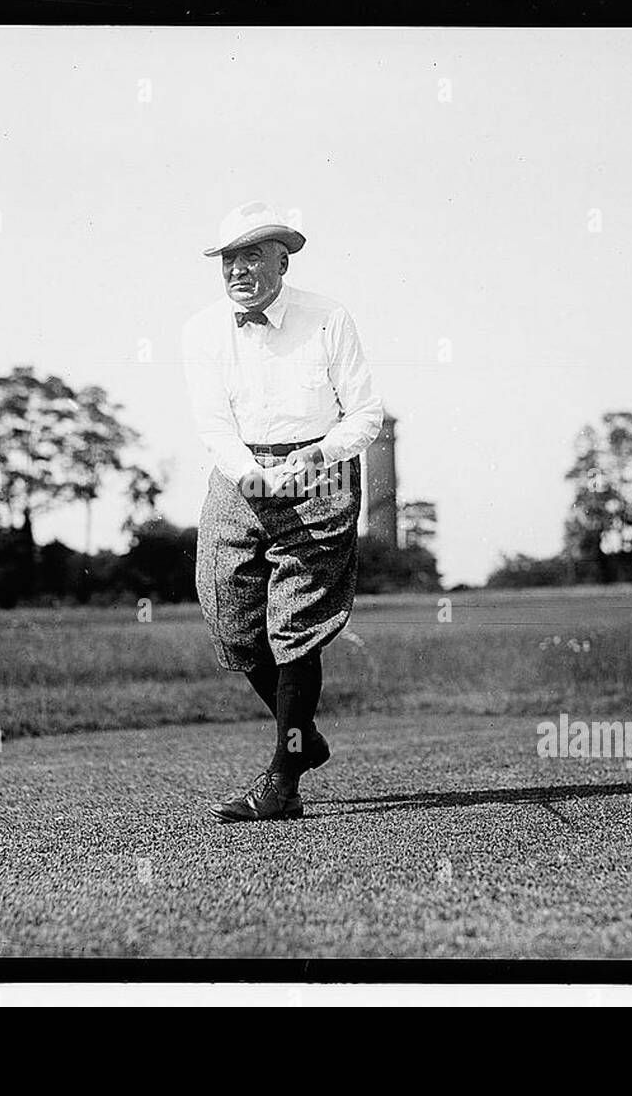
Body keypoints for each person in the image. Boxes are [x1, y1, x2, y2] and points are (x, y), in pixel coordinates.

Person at [182, 201, 384, 822]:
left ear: (282, 259)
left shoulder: (328, 317)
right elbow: (213, 426)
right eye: (228, 260)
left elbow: (366, 415)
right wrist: (253, 474)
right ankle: (305, 733)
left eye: (252, 256)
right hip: (239, 470)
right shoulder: (201, 330)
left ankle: (283, 778)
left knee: (295, 625)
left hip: (319, 471)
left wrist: (316, 457)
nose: (238, 270)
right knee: (227, 612)